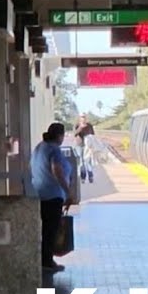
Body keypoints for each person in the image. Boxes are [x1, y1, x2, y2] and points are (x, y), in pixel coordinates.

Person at [31, 122, 72, 274]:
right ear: (60, 136)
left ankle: (45, 259)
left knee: (46, 229)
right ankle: (47, 262)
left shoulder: (39, 147)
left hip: (39, 194)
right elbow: (57, 170)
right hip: (52, 196)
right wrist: (67, 191)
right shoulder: (54, 150)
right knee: (50, 230)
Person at [74, 114, 96, 183]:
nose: (83, 118)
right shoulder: (77, 125)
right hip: (79, 145)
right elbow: (75, 134)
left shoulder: (89, 126)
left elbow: (93, 135)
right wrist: (80, 127)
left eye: (84, 117)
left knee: (87, 161)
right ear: (80, 118)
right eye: (81, 117)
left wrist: (92, 145)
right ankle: (83, 177)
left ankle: (90, 176)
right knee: (81, 162)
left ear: (86, 118)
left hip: (88, 146)